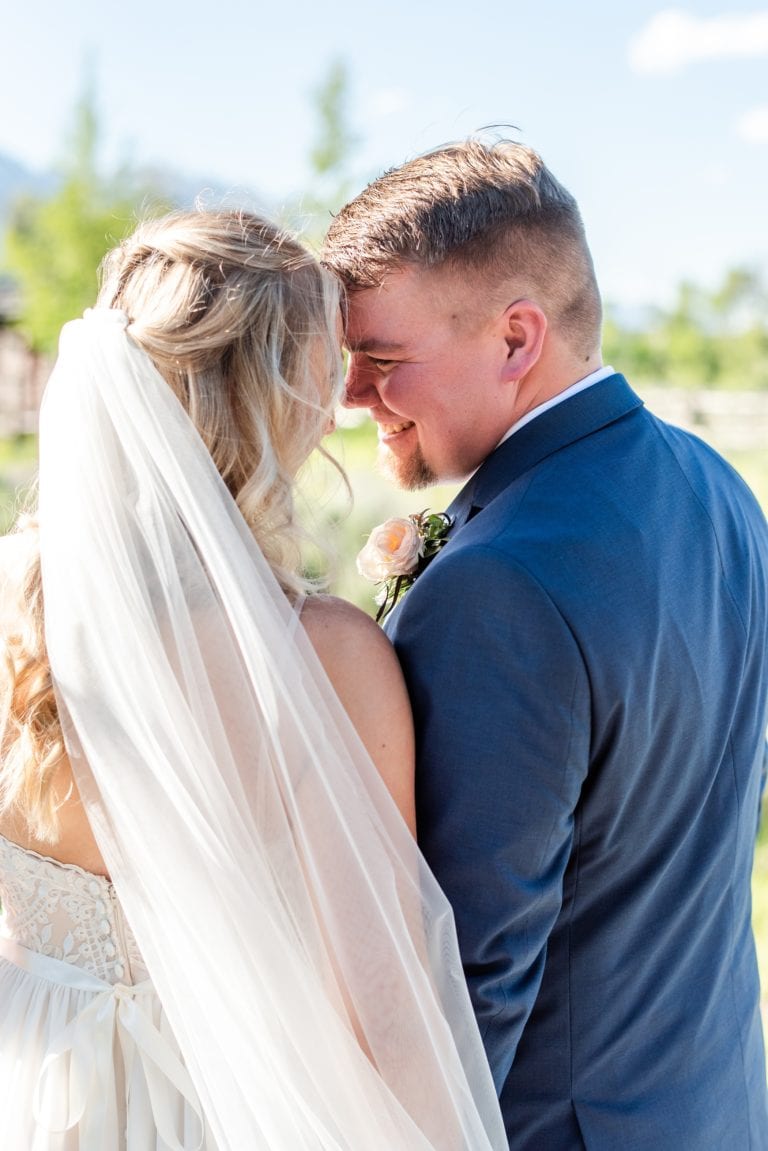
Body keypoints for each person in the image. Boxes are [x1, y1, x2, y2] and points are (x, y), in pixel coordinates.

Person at [0, 209, 507, 1149]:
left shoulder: (11, 615)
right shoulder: (321, 656)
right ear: (269, 405)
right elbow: (384, 1012)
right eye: (325, 370)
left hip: (30, 1086)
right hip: (216, 1105)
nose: (344, 399)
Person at [323, 138, 768, 1148]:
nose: (351, 396)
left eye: (382, 360)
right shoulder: (716, 485)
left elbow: (467, 978)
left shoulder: (495, 586)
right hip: (712, 1110)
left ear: (517, 338)